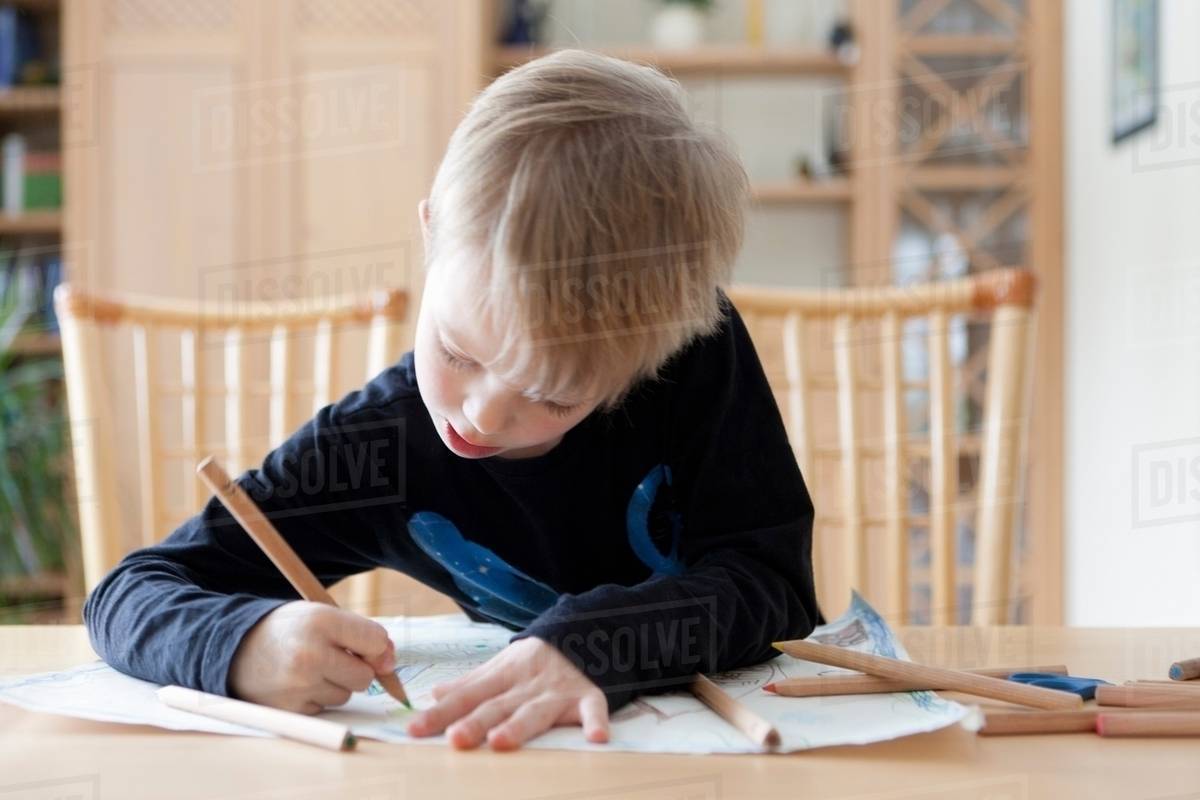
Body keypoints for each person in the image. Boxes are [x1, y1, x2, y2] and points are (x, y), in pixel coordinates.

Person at [83, 49, 820, 752]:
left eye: (552, 397)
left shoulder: (695, 362)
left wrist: (601, 645)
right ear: (431, 231)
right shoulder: (377, 450)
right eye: (458, 353)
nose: (480, 416)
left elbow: (773, 584)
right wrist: (246, 645)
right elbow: (126, 596)